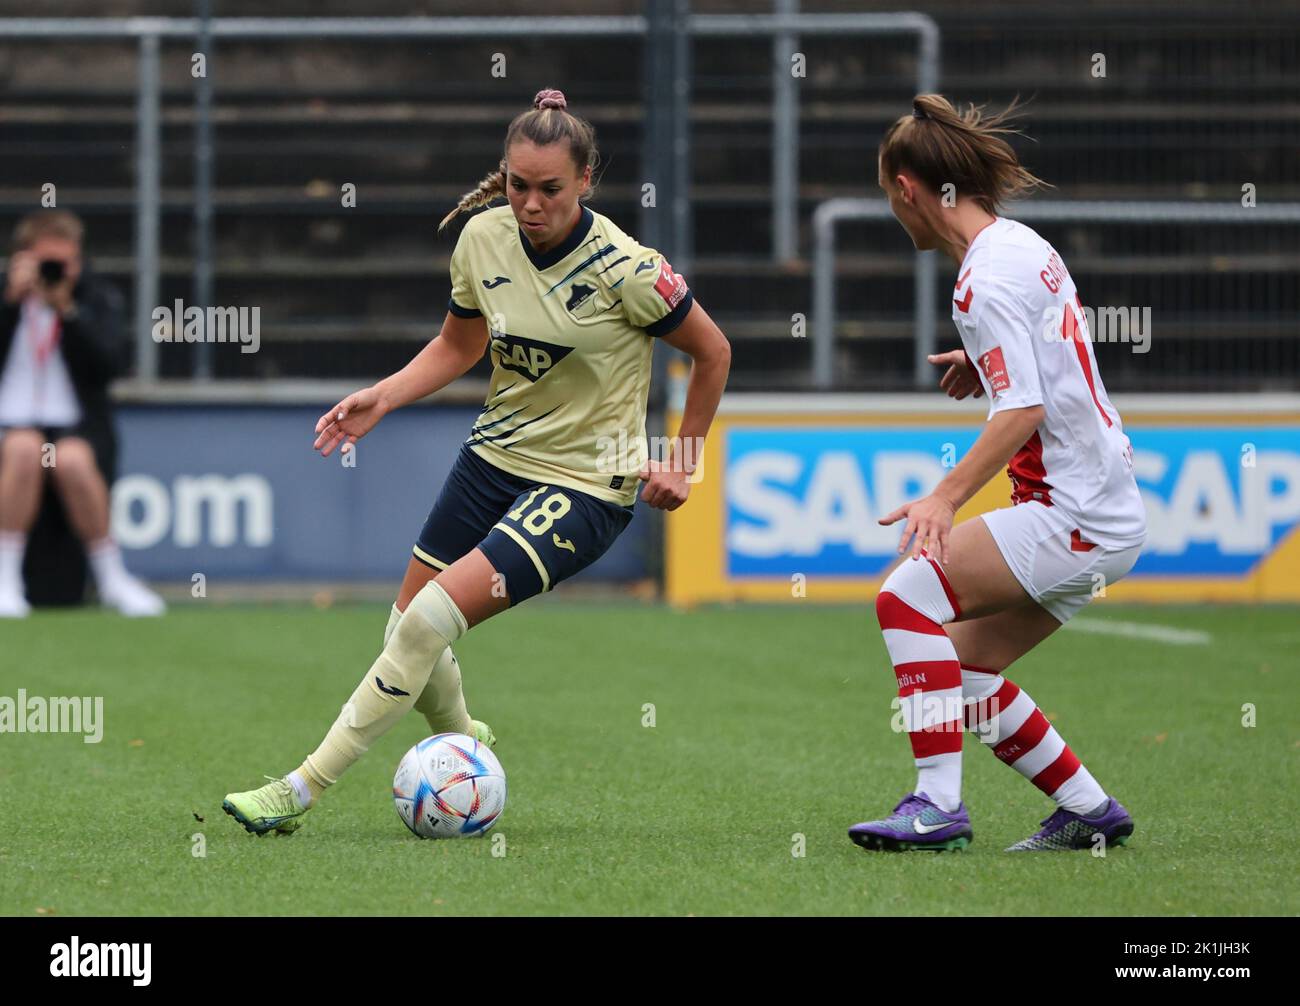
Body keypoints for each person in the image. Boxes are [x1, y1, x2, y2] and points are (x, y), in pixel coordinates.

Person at [223, 89, 731, 835]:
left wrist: (682, 462)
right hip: (492, 459)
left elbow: (713, 351)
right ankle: (464, 736)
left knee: (428, 622)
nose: (531, 204)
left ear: (586, 180)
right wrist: (385, 397)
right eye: (518, 185)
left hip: (587, 483)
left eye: (550, 189)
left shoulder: (629, 268)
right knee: (405, 626)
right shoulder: (481, 240)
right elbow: (461, 345)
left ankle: (299, 789)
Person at [848, 95, 1146, 852]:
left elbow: (1024, 408)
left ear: (909, 189)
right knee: (969, 668)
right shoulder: (1022, 244)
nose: (896, 214)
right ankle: (1089, 811)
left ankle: (936, 805)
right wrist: (988, 369)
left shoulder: (979, 282)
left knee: (904, 597)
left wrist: (945, 497)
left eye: (891, 198)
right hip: (1107, 511)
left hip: (1072, 513)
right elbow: (1048, 366)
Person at [0, 210, 165, 618]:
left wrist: (67, 312)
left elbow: (109, 365)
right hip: (9, 427)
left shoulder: (95, 298)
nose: (58, 270)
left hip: (74, 427)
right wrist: (10, 303)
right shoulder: (6, 295)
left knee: (72, 458)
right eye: (47, 261)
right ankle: (4, 579)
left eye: (67, 261)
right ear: (22, 258)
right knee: (24, 447)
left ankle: (111, 577)